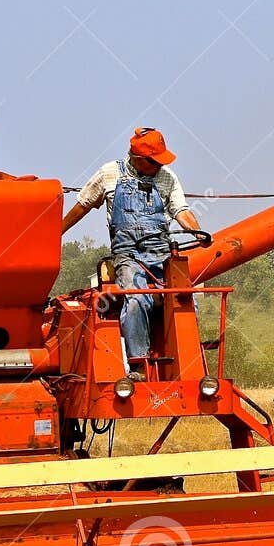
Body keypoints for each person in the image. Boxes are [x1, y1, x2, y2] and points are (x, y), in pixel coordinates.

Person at [60, 127, 202, 376]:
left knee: (185, 298)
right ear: (138, 159)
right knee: (137, 300)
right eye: (155, 161)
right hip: (129, 256)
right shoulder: (109, 174)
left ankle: (188, 366)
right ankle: (139, 364)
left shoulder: (167, 178)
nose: (160, 165)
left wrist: (197, 232)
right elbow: (82, 205)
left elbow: (181, 210)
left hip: (161, 253)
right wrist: (56, 232)